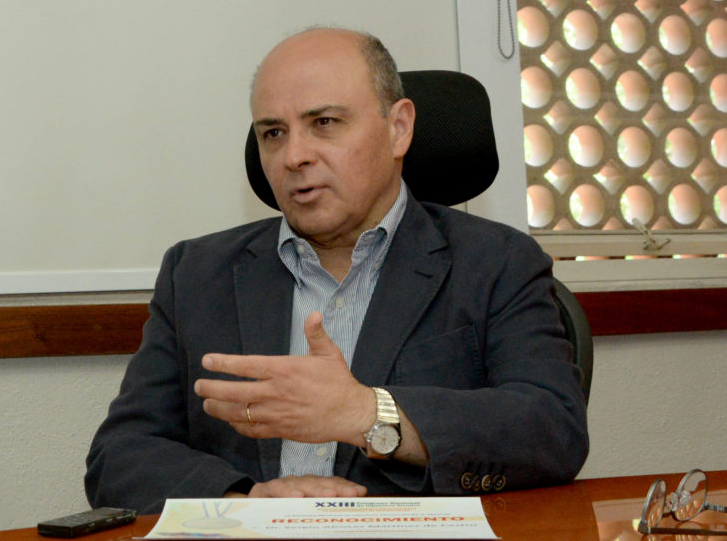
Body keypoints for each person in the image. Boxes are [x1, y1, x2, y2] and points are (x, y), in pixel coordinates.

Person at [85, 28, 588, 512]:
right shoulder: (197, 273)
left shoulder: (496, 262)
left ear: (398, 128)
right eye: (273, 133)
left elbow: (553, 430)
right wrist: (245, 503)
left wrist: (368, 414)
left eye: (324, 123)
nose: (294, 156)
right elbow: (119, 455)